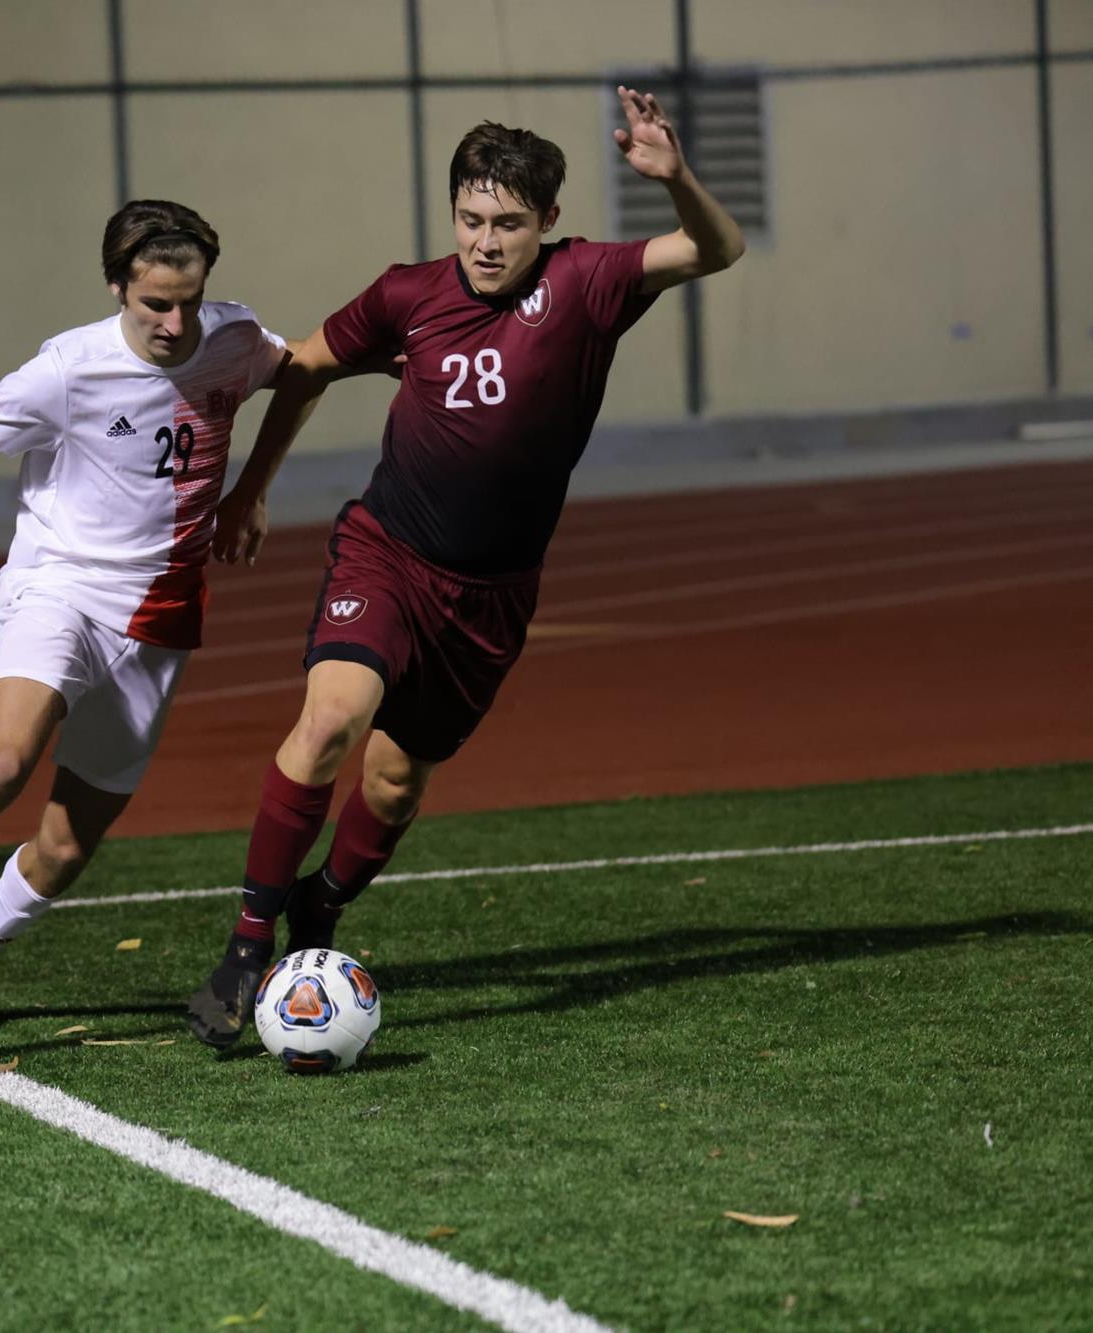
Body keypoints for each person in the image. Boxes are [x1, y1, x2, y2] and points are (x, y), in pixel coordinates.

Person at [186, 87, 747, 1048]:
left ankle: (320, 907)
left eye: (509, 224)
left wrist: (677, 178)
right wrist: (250, 490)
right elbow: (308, 366)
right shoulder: (406, 294)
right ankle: (245, 947)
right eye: (471, 219)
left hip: (490, 595)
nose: (486, 242)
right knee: (329, 722)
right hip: (387, 551)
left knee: (395, 784)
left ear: (549, 220)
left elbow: (716, 249)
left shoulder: (588, 282)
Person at [0, 199, 291, 1041]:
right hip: (59, 589)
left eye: (188, 302)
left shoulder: (235, 338)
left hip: (159, 621)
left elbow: (301, 372)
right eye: (155, 303)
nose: (174, 322)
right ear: (118, 287)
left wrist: (252, 489)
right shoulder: (66, 371)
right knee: (4, 759)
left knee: (67, 846)